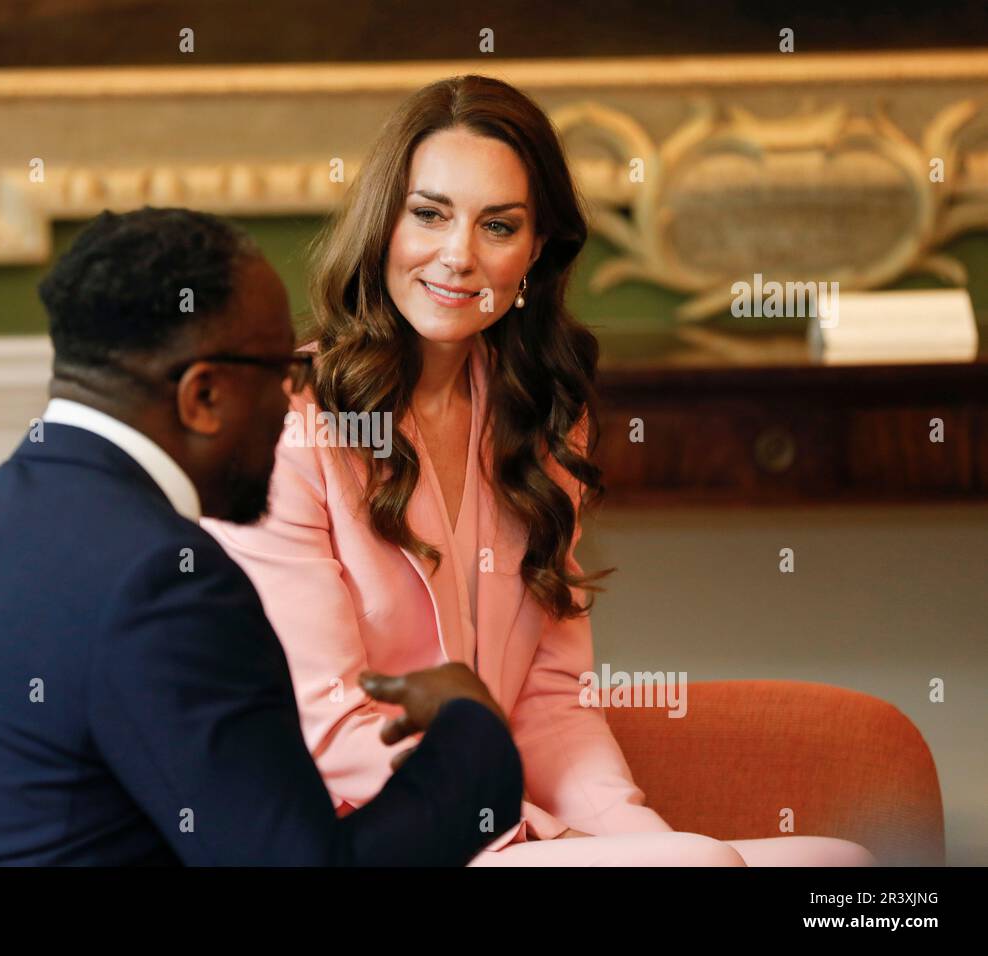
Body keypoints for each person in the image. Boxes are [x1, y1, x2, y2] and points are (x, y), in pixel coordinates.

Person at [201, 75, 876, 867]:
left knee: (840, 868)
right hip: (362, 831)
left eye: (499, 225)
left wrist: (641, 839)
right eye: (429, 214)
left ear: (536, 251)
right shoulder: (293, 424)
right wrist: (536, 833)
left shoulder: (538, 419)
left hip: (505, 832)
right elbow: (331, 723)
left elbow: (550, 706)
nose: (458, 255)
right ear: (383, 224)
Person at [0, 207, 523, 866]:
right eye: (283, 376)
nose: (293, 405)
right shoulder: (168, 583)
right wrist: (474, 740)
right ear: (203, 396)